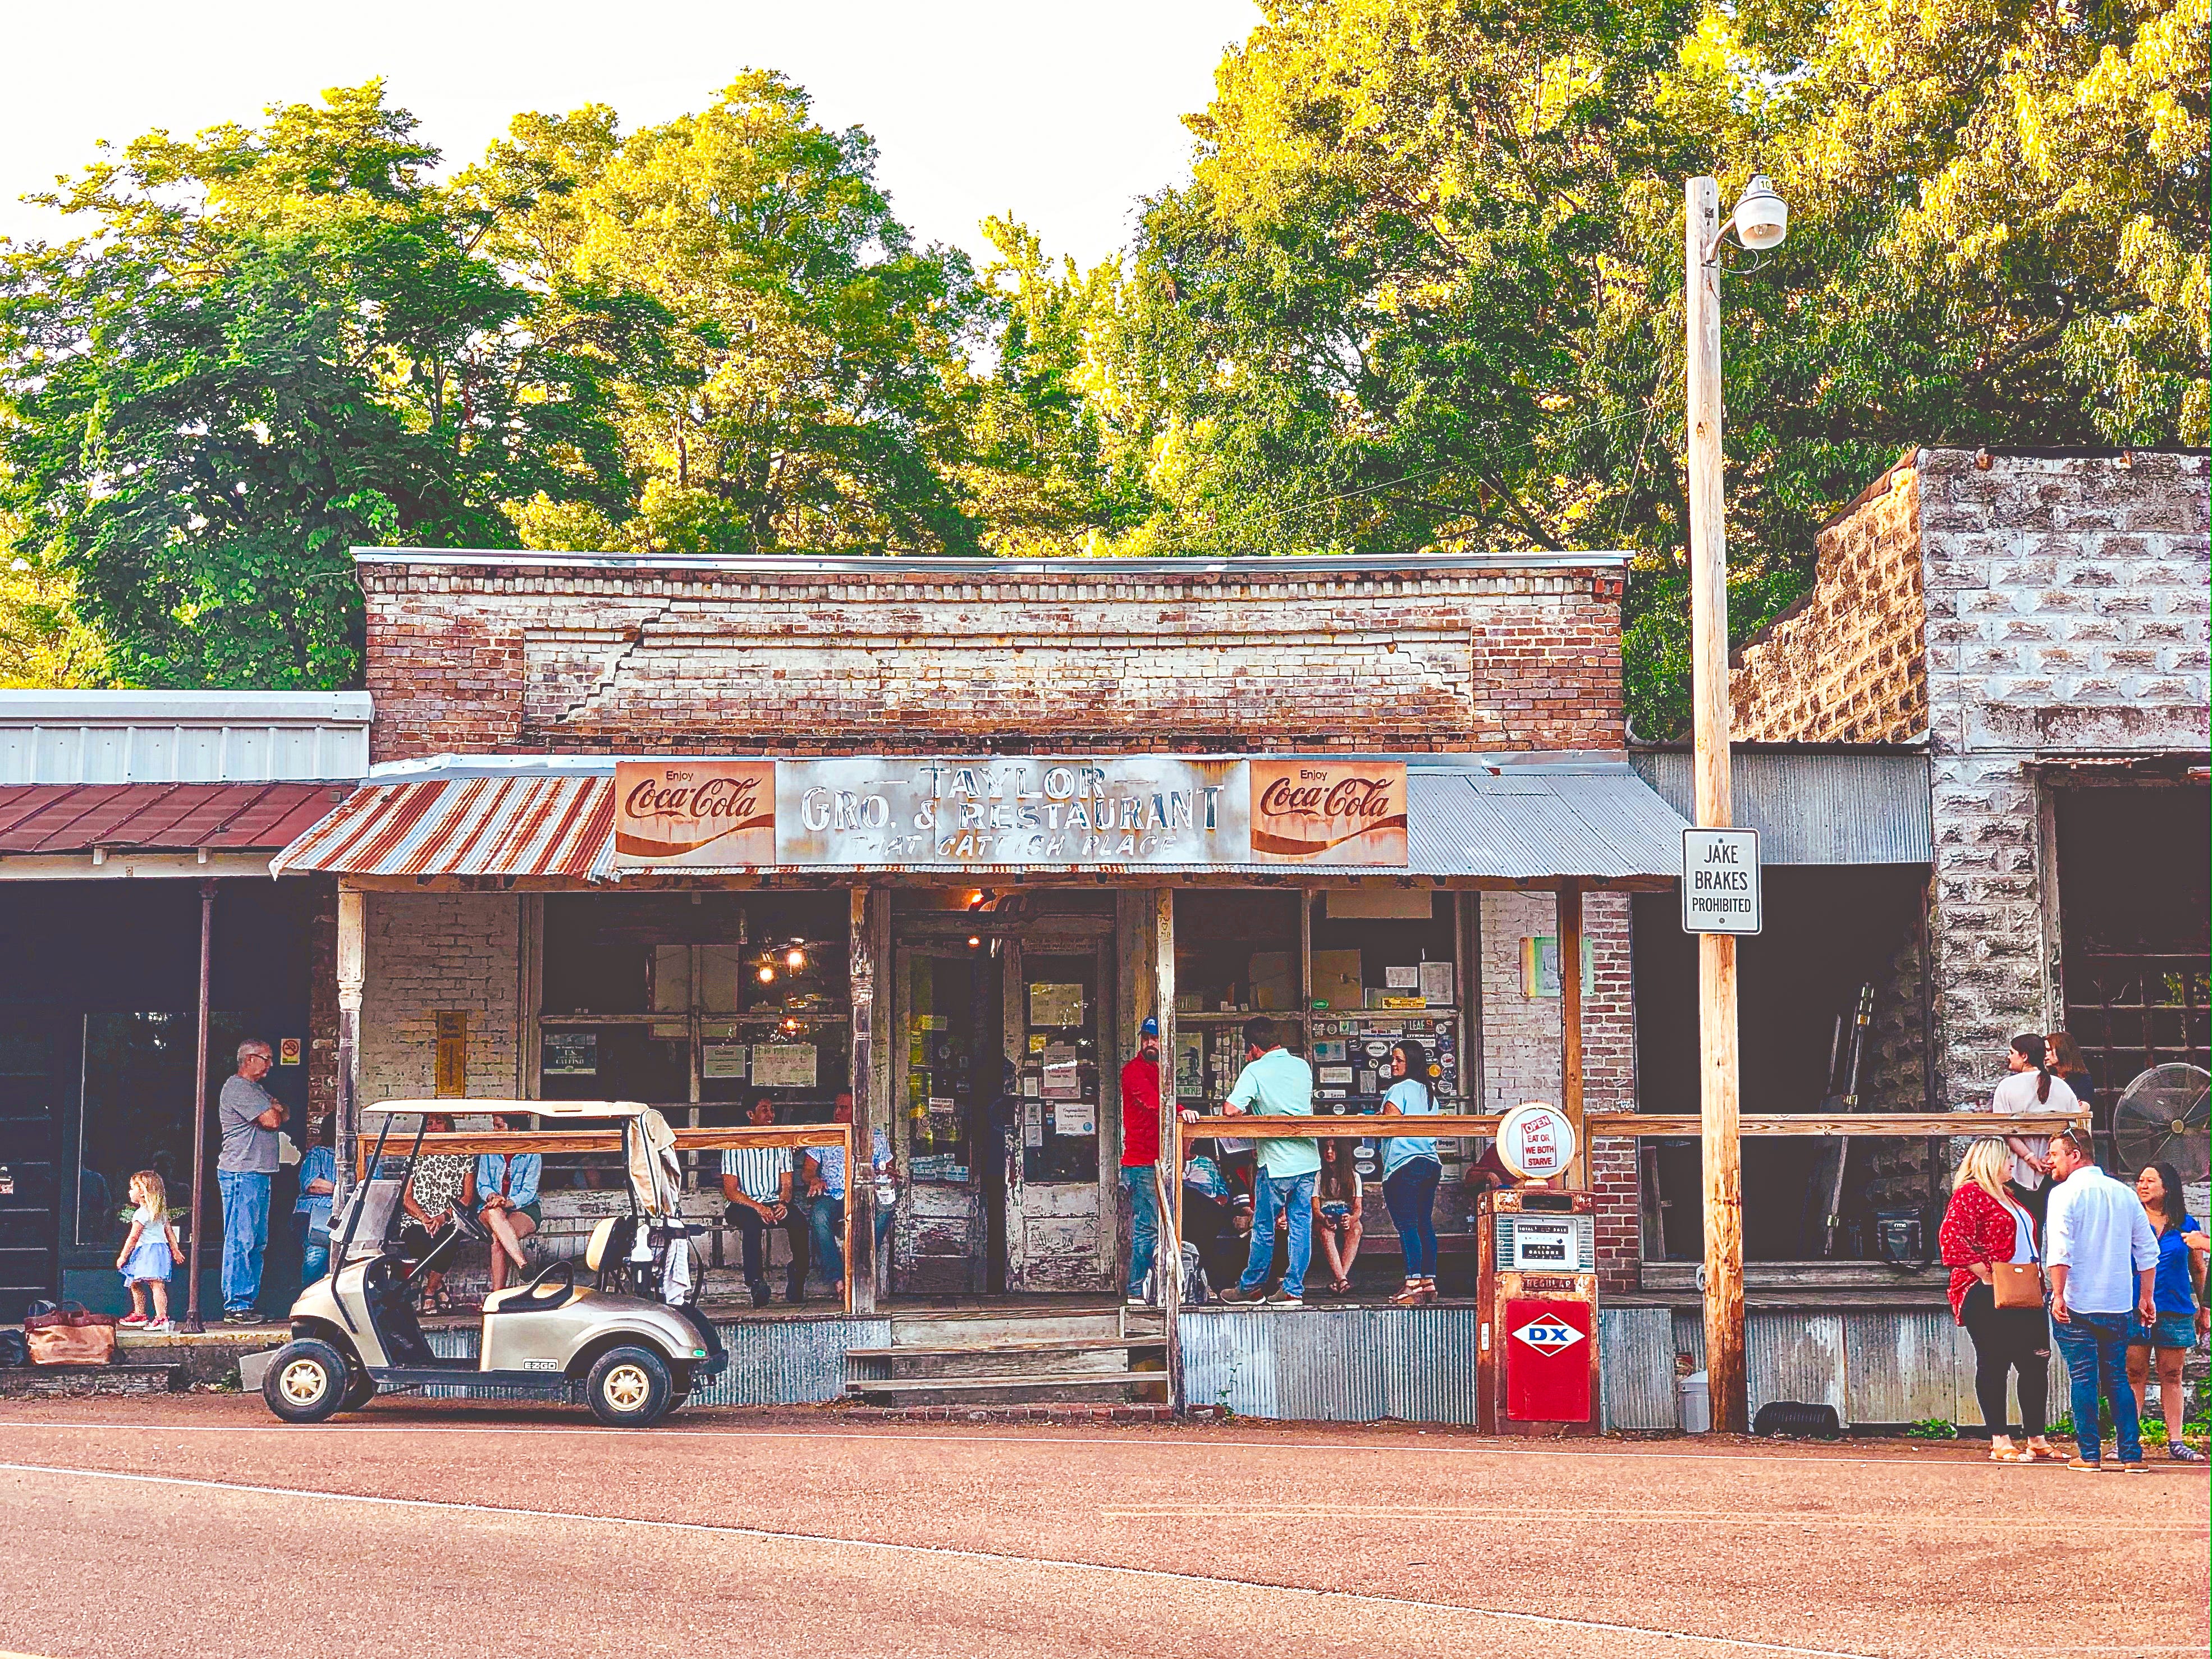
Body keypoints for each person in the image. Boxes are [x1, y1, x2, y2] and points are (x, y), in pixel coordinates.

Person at [2044, 1126, 2159, 1473]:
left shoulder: (2063, 1194)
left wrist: (2059, 1293)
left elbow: (2060, 1248)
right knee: (2118, 1377)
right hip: (2118, 1301)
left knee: (2083, 1377)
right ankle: (2131, 1455)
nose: (2049, 1161)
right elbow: (2148, 1250)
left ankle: (2090, 1454)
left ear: (2075, 1155)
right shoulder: (2124, 1193)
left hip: (2078, 1300)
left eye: (2055, 1153)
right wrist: (2147, 1297)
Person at [1938, 1138, 2054, 1462]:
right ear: (1990, 1162)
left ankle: (2036, 1437)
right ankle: (2000, 1440)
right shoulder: (1970, 1194)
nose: (2012, 1165)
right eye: (2007, 1160)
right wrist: (1987, 1275)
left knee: (2035, 1362)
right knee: (1996, 1360)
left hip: (2025, 1288)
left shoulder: (2011, 1198)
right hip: (1987, 1291)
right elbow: (1951, 1239)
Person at [1219, 1018, 1317, 1308]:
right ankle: (1292, 1290)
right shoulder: (1302, 1066)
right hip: (1308, 1159)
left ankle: (1251, 1287)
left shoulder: (1256, 1069)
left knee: (1264, 1226)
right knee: (1301, 1226)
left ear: (1254, 1048)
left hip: (1276, 1162)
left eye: (1248, 1051)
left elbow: (1230, 1110)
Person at [2126, 1161, 2209, 1462]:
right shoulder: (2130, 1221)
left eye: (2150, 1180)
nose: (2142, 1185)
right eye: (2140, 1180)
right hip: (2133, 1308)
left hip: (2175, 1309)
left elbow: (2198, 1269)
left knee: (2172, 1375)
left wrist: (2204, 1309)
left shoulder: (2187, 1224)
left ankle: (2176, 1440)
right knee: (2134, 1373)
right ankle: (2129, 1440)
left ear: (2168, 1187)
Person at [216, 1038, 285, 1323]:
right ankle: (236, 1305)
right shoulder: (239, 1088)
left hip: (257, 1174)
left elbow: (283, 1113)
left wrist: (276, 1109)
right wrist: (274, 1109)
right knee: (240, 1240)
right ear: (249, 1059)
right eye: (266, 1058)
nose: (271, 1065)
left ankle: (247, 1301)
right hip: (242, 1174)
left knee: (256, 1242)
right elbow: (272, 1120)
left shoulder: (256, 1089)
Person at [1983, 1033, 2078, 1229]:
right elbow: (2074, 1128)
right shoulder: (2061, 1086)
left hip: (2019, 1169)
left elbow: (2006, 1131)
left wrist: (2031, 1158)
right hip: (2054, 1167)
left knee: (2023, 1227)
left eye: (2012, 1053)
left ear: (2024, 1056)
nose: (2009, 1057)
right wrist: (2048, 1156)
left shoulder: (2007, 1087)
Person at [1379, 1037, 1444, 1307]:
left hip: (1403, 1164)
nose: (1392, 1064)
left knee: (1407, 1226)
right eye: (1393, 1059)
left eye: (1398, 1059)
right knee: (1424, 1224)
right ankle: (1429, 1282)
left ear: (1412, 1063)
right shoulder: (1429, 1094)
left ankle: (1412, 1284)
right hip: (1430, 1163)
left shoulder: (1399, 1090)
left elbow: (1389, 1124)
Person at [720, 1097, 793, 1308]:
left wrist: (783, 1203)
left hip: (773, 1201)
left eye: (772, 1110)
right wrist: (758, 1207)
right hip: (743, 1205)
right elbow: (731, 1192)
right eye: (764, 1111)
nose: (770, 1115)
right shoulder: (734, 1145)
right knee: (752, 1223)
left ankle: (798, 1275)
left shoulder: (781, 1143)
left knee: (798, 1221)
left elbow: (787, 1185)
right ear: (750, 1115)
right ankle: (756, 1283)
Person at [465, 1117, 542, 1296]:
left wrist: (508, 1202)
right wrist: (493, 1197)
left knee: (499, 1239)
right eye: (494, 1126)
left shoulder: (532, 1153)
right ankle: (523, 1264)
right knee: (494, 1212)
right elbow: (482, 1185)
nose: (494, 1130)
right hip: (491, 1207)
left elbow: (529, 1191)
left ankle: (496, 1297)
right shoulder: (489, 1150)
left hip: (523, 1207)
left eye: (499, 1126)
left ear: (515, 1128)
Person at [798, 1094, 855, 1300]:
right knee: (819, 1216)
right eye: (836, 1108)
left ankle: (858, 1271)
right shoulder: (826, 1135)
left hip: (861, 1197)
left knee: (884, 1213)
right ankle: (838, 1279)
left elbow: (888, 1166)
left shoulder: (873, 1136)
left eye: (843, 1108)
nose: (837, 1113)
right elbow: (808, 1171)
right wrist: (814, 1180)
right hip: (832, 1196)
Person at [115, 1170, 183, 1333]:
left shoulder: (141, 1214)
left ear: (143, 1193)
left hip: (147, 1252)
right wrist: (175, 1250)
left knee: (152, 1284)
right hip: (159, 1251)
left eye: (132, 1188)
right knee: (139, 1282)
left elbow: (133, 1238)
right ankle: (141, 1314)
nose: (129, 1191)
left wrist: (123, 1256)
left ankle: (160, 1317)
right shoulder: (160, 1213)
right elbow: (170, 1234)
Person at [1313, 1138, 1364, 1295]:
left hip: (1344, 1214)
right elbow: (1315, 1207)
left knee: (1356, 1230)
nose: (1329, 1152)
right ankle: (1342, 1280)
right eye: (1326, 1148)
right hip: (1326, 1215)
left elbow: (1358, 1209)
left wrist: (1351, 1219)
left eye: (1334, 1148)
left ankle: (1340, 1280)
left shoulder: (1354, 1177)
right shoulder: (1319, 1176)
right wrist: (1324, 1219)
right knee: (1325, 1233)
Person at [293, 1115, 337, 1286]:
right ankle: (309, 1302)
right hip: (315, 1215)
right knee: (317, 1254)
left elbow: (372, 1185)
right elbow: (312, 1185)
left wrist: (331, 1186)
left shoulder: (365, 1156)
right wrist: (346, 1187)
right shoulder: (318, 1154)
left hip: (351, 1217)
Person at [2048, 1032, 2097, 1122]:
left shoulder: (2082, 1079)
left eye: (2048, 1050)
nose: (2045, 1055)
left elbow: (2082, 1109)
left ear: (2062, 1050)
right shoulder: (2047, 1078)